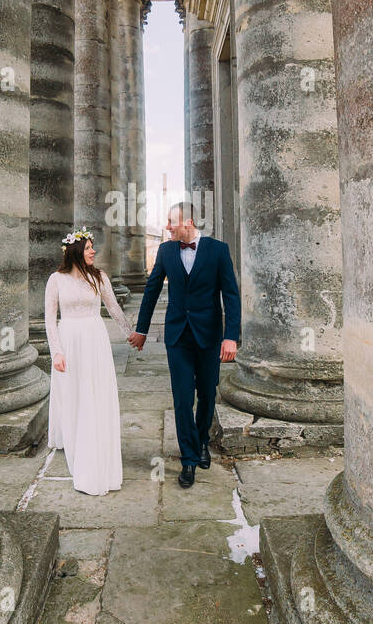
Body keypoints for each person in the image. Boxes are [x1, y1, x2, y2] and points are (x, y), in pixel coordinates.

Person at [128, 202, 241, 487]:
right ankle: (188, 458)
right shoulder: (166, 252)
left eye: (171, 221)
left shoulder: (218, 250)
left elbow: (231, 295)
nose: (167, 226)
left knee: (206, 393)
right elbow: (152, 291)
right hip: (177, 336)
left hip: (209, 336)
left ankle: (202, 441)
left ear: (188, 222)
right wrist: (141, 330)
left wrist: (231, 336)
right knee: (181, 398)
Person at [44, 228, 134, 496]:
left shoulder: (100, 277)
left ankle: (95, 441)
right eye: (88, 248)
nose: (93, 251)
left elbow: (114, 308)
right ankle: (74, 439)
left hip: (95, 339)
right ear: (75, 252)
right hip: (69, 339)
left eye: (93, 247)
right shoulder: (56, 280)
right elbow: (50, 318)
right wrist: (56, 351)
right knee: (73, 393)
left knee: (95, 392)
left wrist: (132, 334)